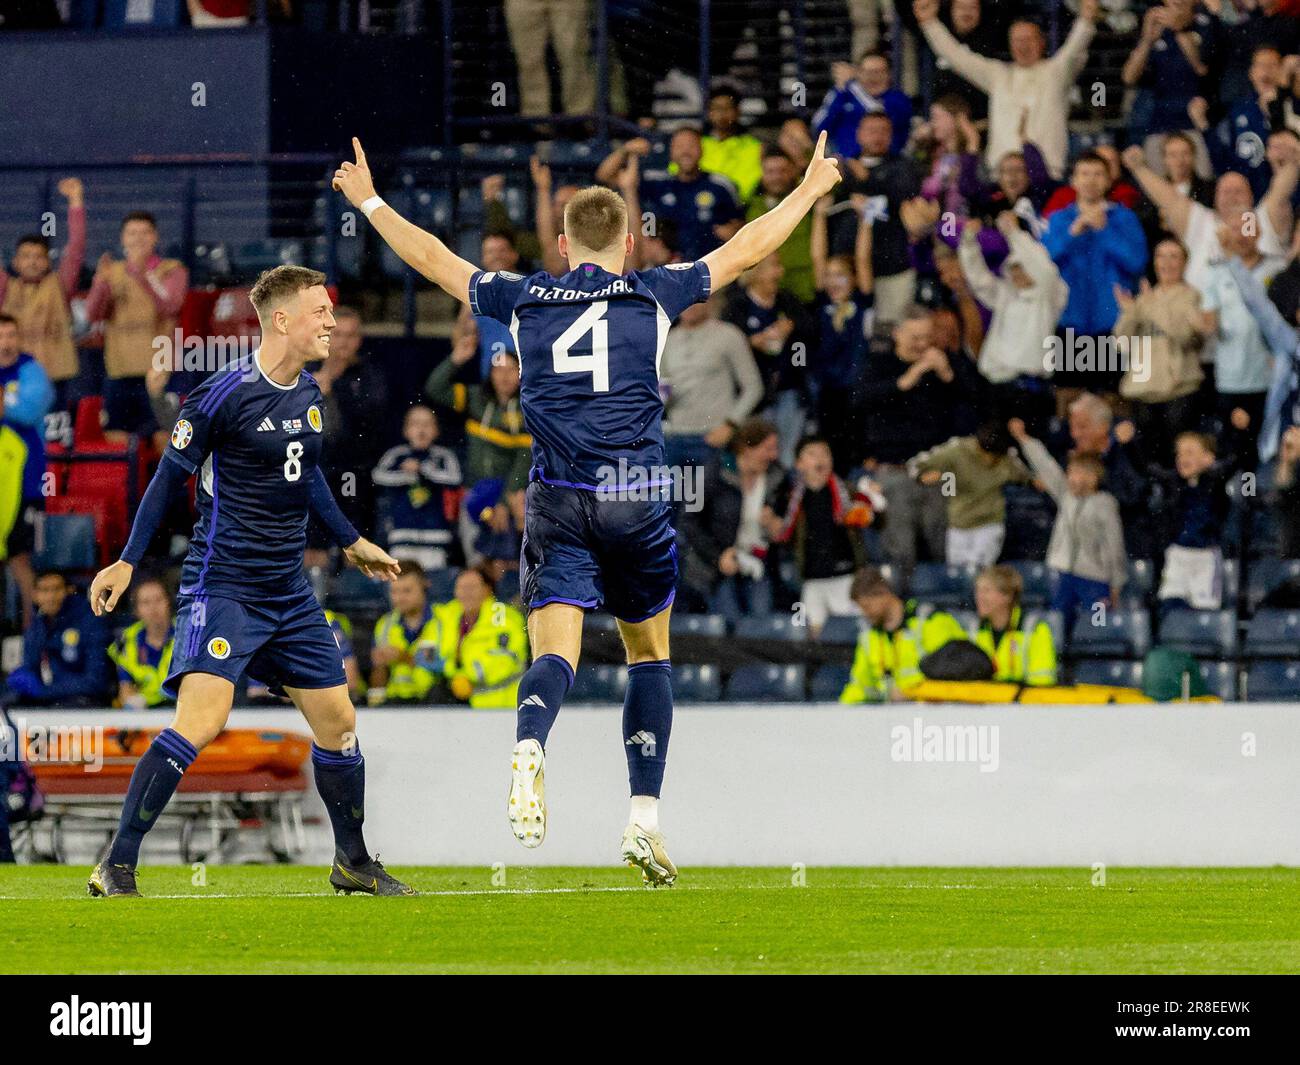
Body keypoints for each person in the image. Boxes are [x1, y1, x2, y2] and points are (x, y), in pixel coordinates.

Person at [335, 131, 843, 884]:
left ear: (566, 246)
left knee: (554, 654)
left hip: (560, 496)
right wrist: (808, 189)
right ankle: (644, 819)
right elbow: (744, 249)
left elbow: (436, 259)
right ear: (629, 243)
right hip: (635, 493)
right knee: (650, 653)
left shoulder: (523, 295)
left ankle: (532, 742)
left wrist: (371, 199)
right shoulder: (656, 289)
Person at [84, 264, 409, 898]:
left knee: (339, 720)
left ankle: (352, 863)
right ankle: (116, 863)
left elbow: (307, 474)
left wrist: (351, 540)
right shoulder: (219, 395)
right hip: (225, 585)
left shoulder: (309, 394)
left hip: (288, 591)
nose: (331, 323)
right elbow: (163, 480)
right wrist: (127, 559)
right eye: (320, 312)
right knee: (202, 721)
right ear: (282, 320)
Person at [913, 0, 1099, 180]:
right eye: (1017, 40)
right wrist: (929, 24)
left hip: (1047, 174)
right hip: (1000, 177)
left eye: (1028, 39)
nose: (1022, 45)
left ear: (1041, 42)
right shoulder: (998, 76)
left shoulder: (1056, 73)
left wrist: (1087, 19)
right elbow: (957, 56)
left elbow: (1075, 48)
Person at [1009, 419, 1128, 630]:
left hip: (1096, 579)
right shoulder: (1065, 496)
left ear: (1093, 477)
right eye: (1071, 472)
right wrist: (1024, 439)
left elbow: (1114, 545)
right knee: (1057, 626)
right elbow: (1046, 466)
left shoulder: (1106, 504)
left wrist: (1116, 583)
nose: (1073, 478)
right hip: (1062, 575)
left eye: (1079, 473)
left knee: (1098, 627)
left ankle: (1093, 661)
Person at [84, 211, 189, 436]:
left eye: (144, 232)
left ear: (155, 237)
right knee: (115, 436)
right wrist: (101, 283)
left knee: (165, 437)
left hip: (158, 372)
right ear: (123, 239)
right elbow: (92, 315)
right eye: (132, 233)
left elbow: (171, 305)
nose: (138, 238)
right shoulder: (112, 272)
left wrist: (143, 274)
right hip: (119, 371)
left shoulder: (172, 269)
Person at [680, 417, 784, 618]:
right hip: (716, 569)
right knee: (728, 628)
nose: (774, 455)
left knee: (760, 628)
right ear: (747, 449)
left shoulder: (777, 477)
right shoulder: (712, 474)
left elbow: (787, 518)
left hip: (758, 564)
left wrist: (776, 524)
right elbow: (687, 520)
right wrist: (718, 556)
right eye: (768, 448)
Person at [768, 437, 873, 636]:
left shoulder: (848, 491)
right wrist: (770, 525)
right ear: (799, 464)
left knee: (852, 633)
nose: (820, 460)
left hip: (847, 576)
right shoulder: (790, 498)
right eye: (812, 454)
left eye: (825, 454)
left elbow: (875, 518)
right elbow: (782, 535)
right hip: (812, 580)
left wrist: (873, 504)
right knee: (813, 637)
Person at [0, 177, 85, 406]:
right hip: (15, 376)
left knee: (57, 439)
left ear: (48, 262)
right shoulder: (6, 287)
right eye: (26, 257)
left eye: (38, 257)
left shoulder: (60, 284)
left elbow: (76, 248)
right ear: (15, 262)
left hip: (57, 376)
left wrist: (75, 201)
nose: (32, 262)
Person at [910, 420, 1031, 568]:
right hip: (958, 525)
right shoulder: (956, 448)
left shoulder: (1007, 456)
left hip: (989, 524)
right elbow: (916, 464)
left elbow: (1027, 477)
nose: (990, 460)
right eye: (987, 454)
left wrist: (1034, 480)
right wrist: (922, 477)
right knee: (957, 577)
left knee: (978, 572)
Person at [839, 567, 968, 703]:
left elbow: (955, 671)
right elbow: (860, 685)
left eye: (867, 606)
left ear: (884, 594)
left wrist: (912, 693)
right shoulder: (869, 636)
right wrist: (841, 713)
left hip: (932, 711)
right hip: (891, 714)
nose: (865, 613)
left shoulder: (929, 620)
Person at [0, 313, 54, 627]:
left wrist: (6, 406)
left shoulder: (31, 371)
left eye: (11, 335)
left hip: (26, 482)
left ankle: (32, 636)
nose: (6, 343)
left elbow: (33, 408)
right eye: (1, 336)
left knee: (20, 557)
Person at [372, 404, 464, 571]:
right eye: (415, 424)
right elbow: (378, 476)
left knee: (432, 583)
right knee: (403, 581)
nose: (421, 429)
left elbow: (455, 478)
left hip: (436, 536)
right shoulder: (396, 455)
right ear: (406, 430)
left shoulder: (444, 456)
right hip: (402, 533)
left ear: (436, 430)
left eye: (427, 424)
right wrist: (407, 475)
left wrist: (422, 470)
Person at [429, 564, 529, 709]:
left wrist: (464, 676)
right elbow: (427, 653)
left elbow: (504, 662)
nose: (465, 593)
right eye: (461, 588)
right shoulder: (446, 615)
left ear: (487, 590)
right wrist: (453, 674)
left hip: (501, 702)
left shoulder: (504, 617)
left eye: (471, 588)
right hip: (458, 698)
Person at [3, 571, 109, 707]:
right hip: (50, 700)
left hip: (84, 703)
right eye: (44, 590)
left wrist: (45, 690)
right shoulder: (37, 625)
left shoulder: (90, 622)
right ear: (34, 595)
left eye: (56, 589)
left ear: (69, 591)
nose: (51, 596)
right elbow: (30, 666)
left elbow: (96, 681)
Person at [369, 560, 443, 704]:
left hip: (435, 704)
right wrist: (379, 665)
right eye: (394, 591)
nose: (399, 598)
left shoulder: (443, 619)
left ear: (424, 586)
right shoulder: (384, 624)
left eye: (407, 591)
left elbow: (445, 669)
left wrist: (405, 657)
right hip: (395, 704)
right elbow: (377, 684)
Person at [972, 564, 1058, 687]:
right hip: (983, 702)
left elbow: (1043, 681)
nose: (978, 597)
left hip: (1022, 703)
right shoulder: (974, 628)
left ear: (1007, 596)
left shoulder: (1034, 628)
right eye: (977, 590)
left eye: (986, 591)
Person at [107, 576, 176, 709]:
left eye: (158, 600)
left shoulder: (188, 635)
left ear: (169, 602)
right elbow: (125, 690)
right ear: (136, 610)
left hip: (181, 711)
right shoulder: (125, 641)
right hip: (143, 714)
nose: (153, 607)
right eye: (145, 602)